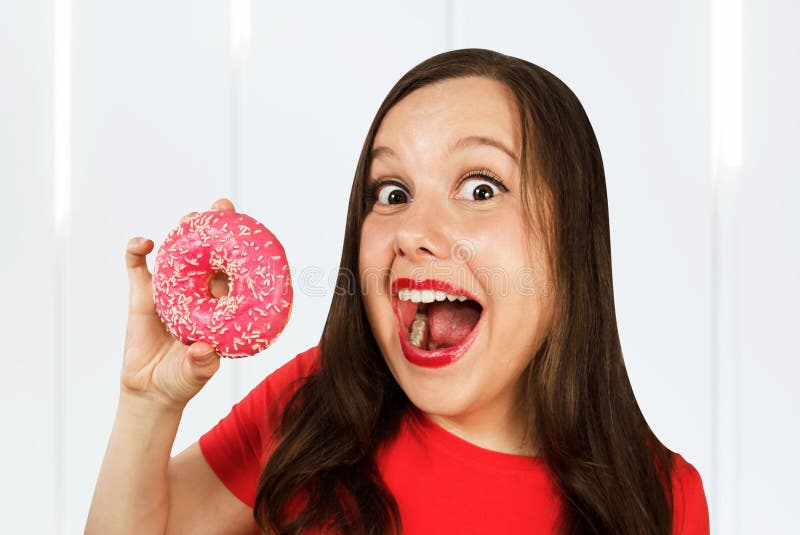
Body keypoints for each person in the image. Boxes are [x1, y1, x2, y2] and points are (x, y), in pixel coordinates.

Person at [85, 48, 709, 534]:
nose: (413, 233)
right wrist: (148, 402)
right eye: (392, 193)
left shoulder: (662, 498)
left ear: (570, 237)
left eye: (481, 187)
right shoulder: (316, 407)